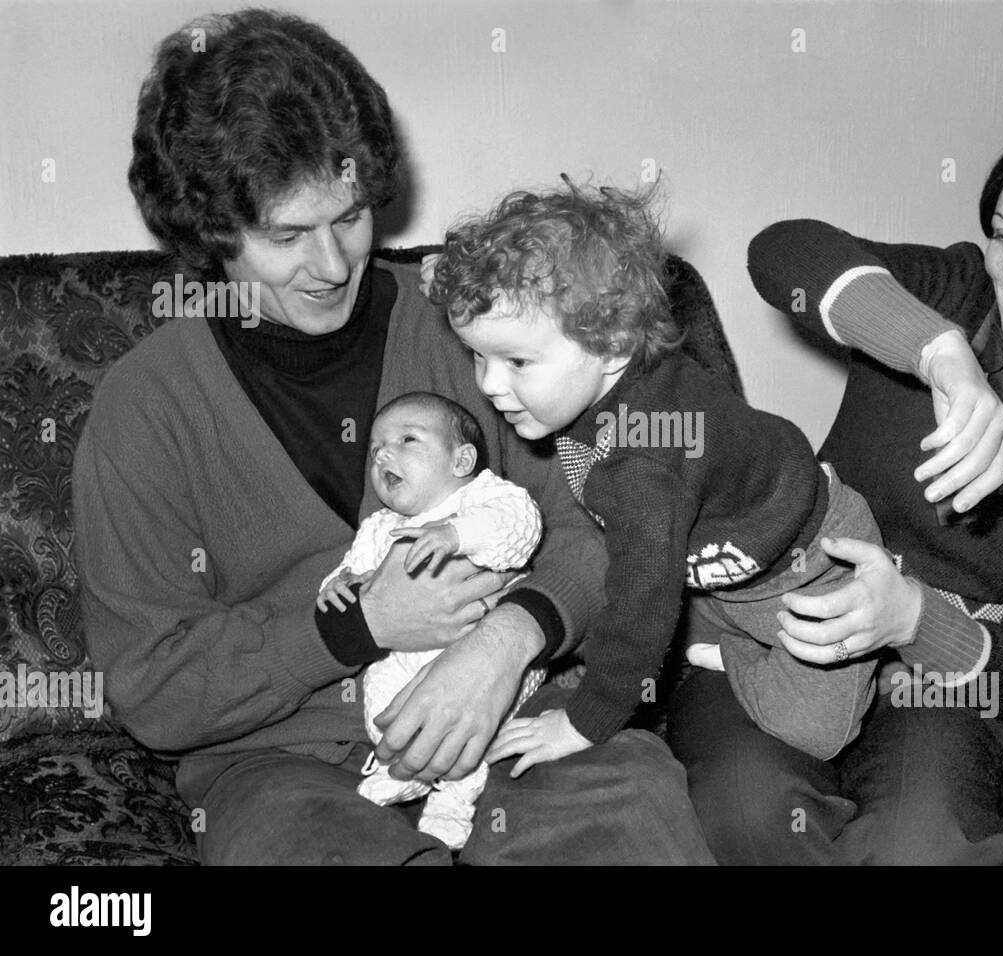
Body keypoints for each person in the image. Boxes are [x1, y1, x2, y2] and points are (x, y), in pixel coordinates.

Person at [72, 8, 716, 865]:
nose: (334, 265)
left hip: (521, 719)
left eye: (349, 216)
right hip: (282, 767)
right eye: (287, 236)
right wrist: (355, 627)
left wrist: (510, 637)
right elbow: (153, 685)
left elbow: (613, 521)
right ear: (209, 233)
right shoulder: (145, 408)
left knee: (631, 820)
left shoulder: (472, 324)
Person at [667, 115, 1003, 865]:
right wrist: (938, 351)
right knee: (745, 814)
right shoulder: (954, 294)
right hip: (786, 624)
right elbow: (779, 250)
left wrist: (913, 618)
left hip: (943, 680)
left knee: (926, 845)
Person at [424, 179, 1003, 768]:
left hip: (809, 572)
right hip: (711, 570)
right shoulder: (602, 378)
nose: (490, 385)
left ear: (614, 348)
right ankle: (726, 635)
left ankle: (745, 657)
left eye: (517, 362)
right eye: (479, 356)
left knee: (816, 732)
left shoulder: (641, 469)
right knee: (648, 613)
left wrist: (585, 722)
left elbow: (641, 606)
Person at [317, 391, 545, 850]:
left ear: (461, 460)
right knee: (383, 693)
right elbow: (358, 569)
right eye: (376, 448)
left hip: (484, 650)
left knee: (473, 721)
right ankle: (403, 769)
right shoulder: (379, 526)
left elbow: (520, 529)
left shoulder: (486, 496)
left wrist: (455, 534)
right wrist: (338, 583)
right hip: (406, 652)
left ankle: (454, 800)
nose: (384, 453)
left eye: (406, 439)